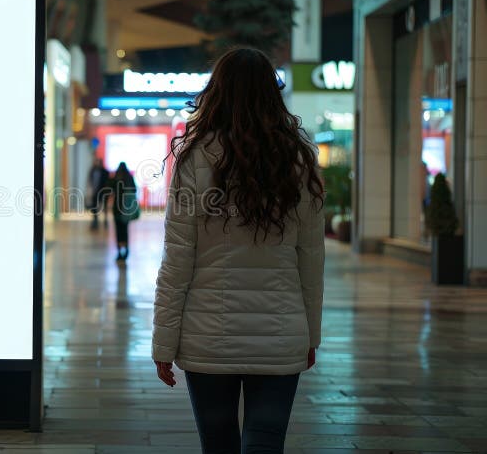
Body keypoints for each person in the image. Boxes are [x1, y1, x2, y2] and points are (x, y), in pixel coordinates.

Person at [152, 47, 325, 454]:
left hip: (207, 336)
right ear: (272, 93)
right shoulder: (299, 160)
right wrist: (309, 335)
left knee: (218, 444)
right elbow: (311, 258)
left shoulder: (194, 157)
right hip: (280, 334)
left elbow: (177, 258)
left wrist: (163, 343)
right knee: (266, 441)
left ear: (218, 92)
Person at [110, 162, 138, 262]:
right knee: (125, 230)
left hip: (117, 209)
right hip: (126, 209)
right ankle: (126, 250)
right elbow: (134, 189)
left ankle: (119, 251)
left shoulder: (116, 178)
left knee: (118, 231)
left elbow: (110, 189)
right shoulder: (129, 177)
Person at [87, 157, 110, 230]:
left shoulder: (105, 172)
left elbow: (107, 182)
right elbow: (90, 181)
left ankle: (105, 220)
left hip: (103, 192)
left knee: (104, 207)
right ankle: (95, 221)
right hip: (95, 192)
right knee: (94, 207)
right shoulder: (92, 171)